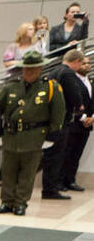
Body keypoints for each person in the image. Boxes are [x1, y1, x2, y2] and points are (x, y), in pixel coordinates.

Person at [0, 50, 65, 216]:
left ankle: (21, 202)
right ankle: (7, 202)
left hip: (34, 137)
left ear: (40, 68)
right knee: (8, 172)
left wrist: (52, 135)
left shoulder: (50, 87)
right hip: (11, 136)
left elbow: (58, 113)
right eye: (26, 68)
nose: (29, 72)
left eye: (33, 68)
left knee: (27, 173)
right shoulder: (11, 86)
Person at [40, 48, 90, 201]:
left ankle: (49, 187)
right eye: (80, 63)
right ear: (76, 61)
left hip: (51, 119)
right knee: (56, 156)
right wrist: (79, 107)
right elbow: (74, 95)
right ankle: (50, 189)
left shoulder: (54, 71)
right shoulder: (68, 73)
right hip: (62, 120)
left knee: (50, 155)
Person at [59, 50, 92, 193]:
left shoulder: (90, 81)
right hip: (75, 122)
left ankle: (70, 180)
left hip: (87, 124)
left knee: (76, 154)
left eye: (89, 63)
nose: (87, 65)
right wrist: (83, 117)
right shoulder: (71, 78)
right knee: (66, 153)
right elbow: (72, 100)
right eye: (83, 63)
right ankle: (60, 181)